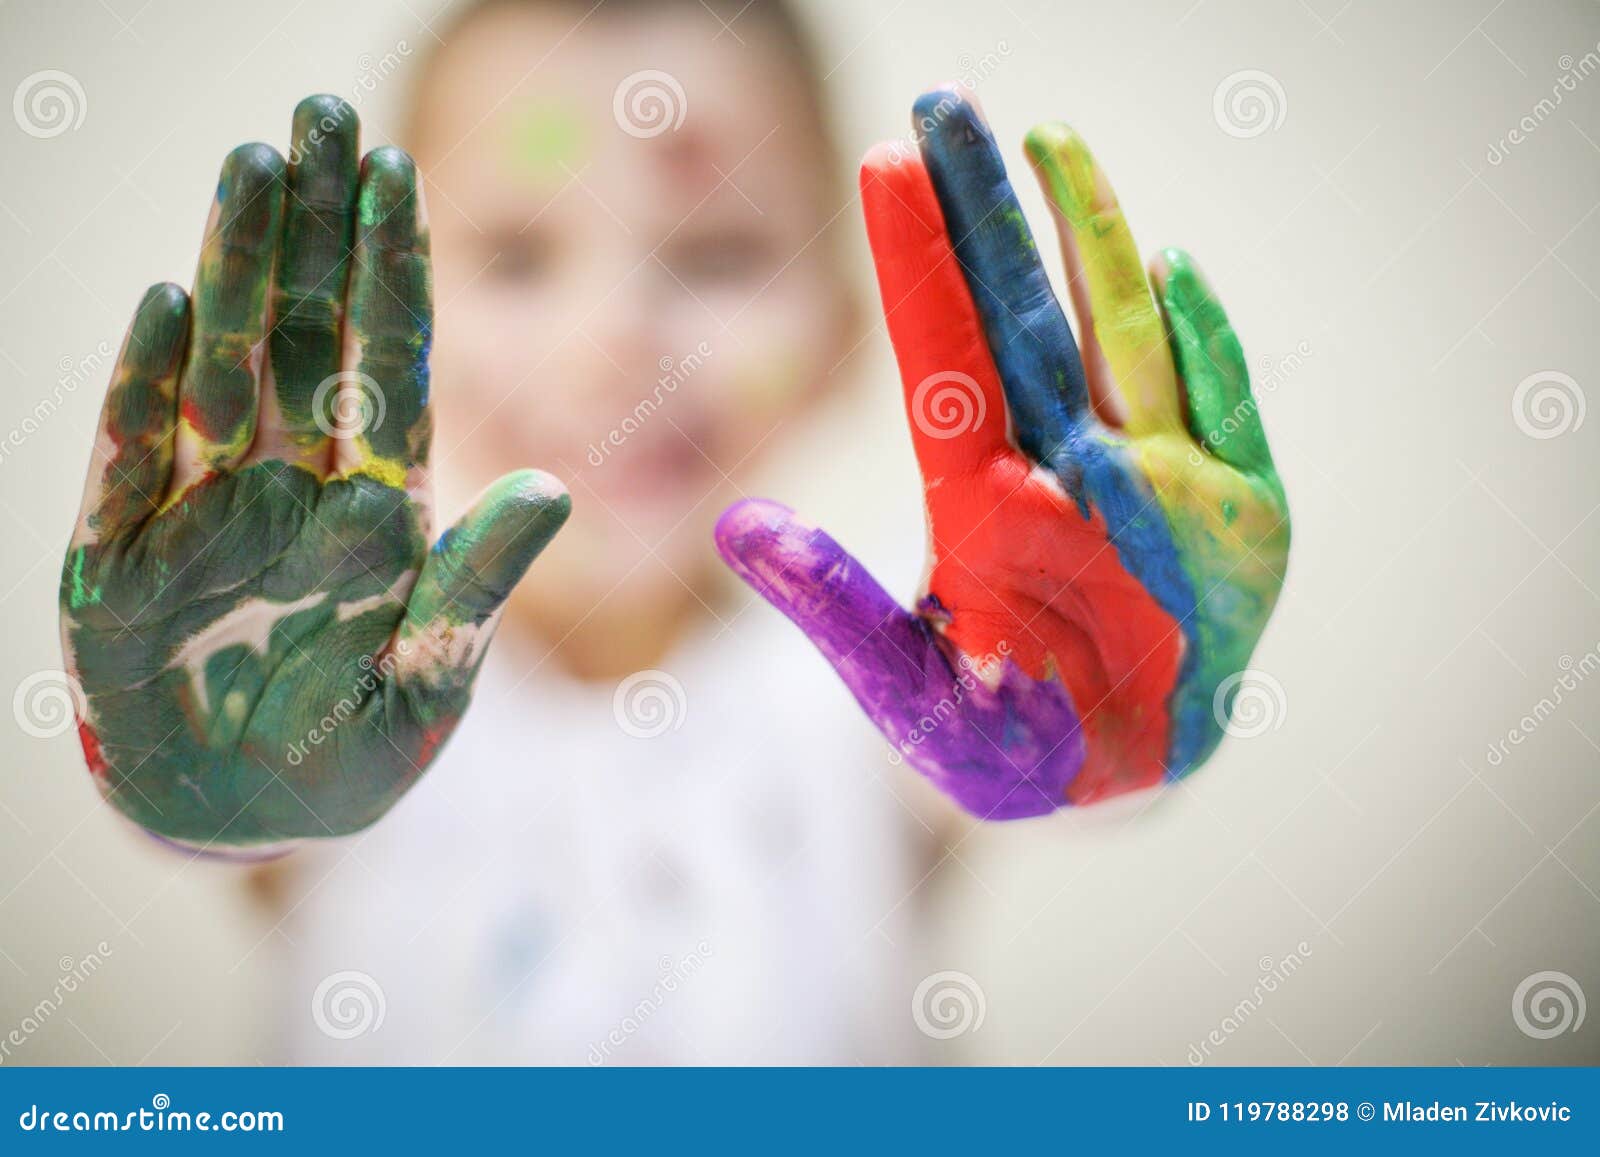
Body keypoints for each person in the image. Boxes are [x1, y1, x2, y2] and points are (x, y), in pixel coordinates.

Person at [58, 0, 1287, 1064]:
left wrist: (1091, 716)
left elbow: (1027, 772)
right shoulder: (321, 687)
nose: (615, 337)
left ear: (850, 335)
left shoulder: (895, 695)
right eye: (517, 255)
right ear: (381, 306)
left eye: (719, 253)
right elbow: (241, 823)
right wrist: (207, 784)